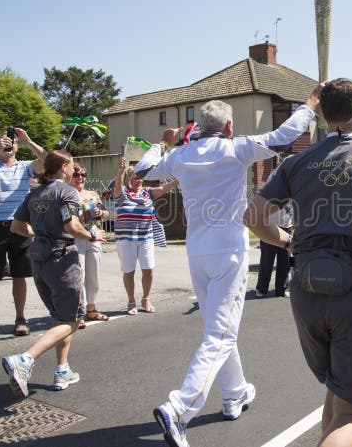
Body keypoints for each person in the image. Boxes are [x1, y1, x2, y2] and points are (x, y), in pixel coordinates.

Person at [137, 85, 321, 447]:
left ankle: (234, 394)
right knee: (220, 334)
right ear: (228, 126)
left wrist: (165, 141)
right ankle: (180, 407)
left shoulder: (181, 155)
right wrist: (310, 106)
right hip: (229, 252)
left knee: (219, 330)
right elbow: (285, 136)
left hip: (197, 252)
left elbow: (142, 170)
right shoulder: (236, 148)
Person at [244, 78, 352, 447]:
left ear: (321, 115)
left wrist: (286, 241)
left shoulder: (295, 162)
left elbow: (254, 217)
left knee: (338, 389)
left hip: (306, 294)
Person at [3, 150, 107, 397]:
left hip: (39, 261)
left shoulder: (35, 193)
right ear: (63, 166)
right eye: (71, 165)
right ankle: (26, 359)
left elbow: (16, 226)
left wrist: (40, 235)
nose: (74, 170)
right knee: (72, 320)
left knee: (63, 319)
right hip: (62, 259)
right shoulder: (66, 191)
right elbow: (70, 225)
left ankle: (62, 370)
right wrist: (93, 234)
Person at [0, 128, 47, 336]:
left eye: (12, 143)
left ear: (17, 146)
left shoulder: (25, 167)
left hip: (20, 226)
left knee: (20, 275)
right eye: (5, 142)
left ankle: (20, 317)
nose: (9, 145)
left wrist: (29, 141)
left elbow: (46, 161)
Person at [114, 157, 177, 315]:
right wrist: (120, 172)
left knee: (148, 270)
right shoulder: (122, 194)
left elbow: (164, 189)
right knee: (129, 271)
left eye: (140, 178)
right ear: (128, 178)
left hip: (145, 238)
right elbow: (116, 188)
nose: (138, 181)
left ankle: (146, 298)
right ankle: (131, 301)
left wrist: (179, 178)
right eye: (135, 178)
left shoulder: (147, 192)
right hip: (126, 239)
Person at [69, 163, 111, 326]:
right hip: (75, 236)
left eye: (83, 175)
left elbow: (106, 212)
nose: (80, 178)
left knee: (93, 275)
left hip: (94, 236)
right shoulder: (67, 193)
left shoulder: (92, 193)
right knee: (78, 275)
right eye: (76, 175)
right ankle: (77, 313)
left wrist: (101, 213)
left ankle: (91, 308)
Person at [255, 201, 293, 298]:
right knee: (267, 259)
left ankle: (282, 289)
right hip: (269, 225)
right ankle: (261, 289)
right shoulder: (271, 186)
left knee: (285, 260)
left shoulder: (294, 188)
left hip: (287, 226)